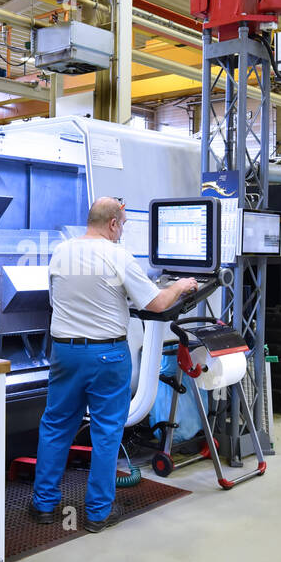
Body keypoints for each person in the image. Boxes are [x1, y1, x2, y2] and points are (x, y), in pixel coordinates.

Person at [30, 198, 199, 532]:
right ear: (112, 224)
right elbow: (155, 302)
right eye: (122, 225)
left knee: (55, 427)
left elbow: (58, 299)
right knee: (106, 433)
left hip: (65, 353)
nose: (121, 232)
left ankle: (44, 505)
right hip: (106, 356)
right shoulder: (117, 255)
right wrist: (180, 285)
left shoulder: (62, 251)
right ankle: (96, 514)